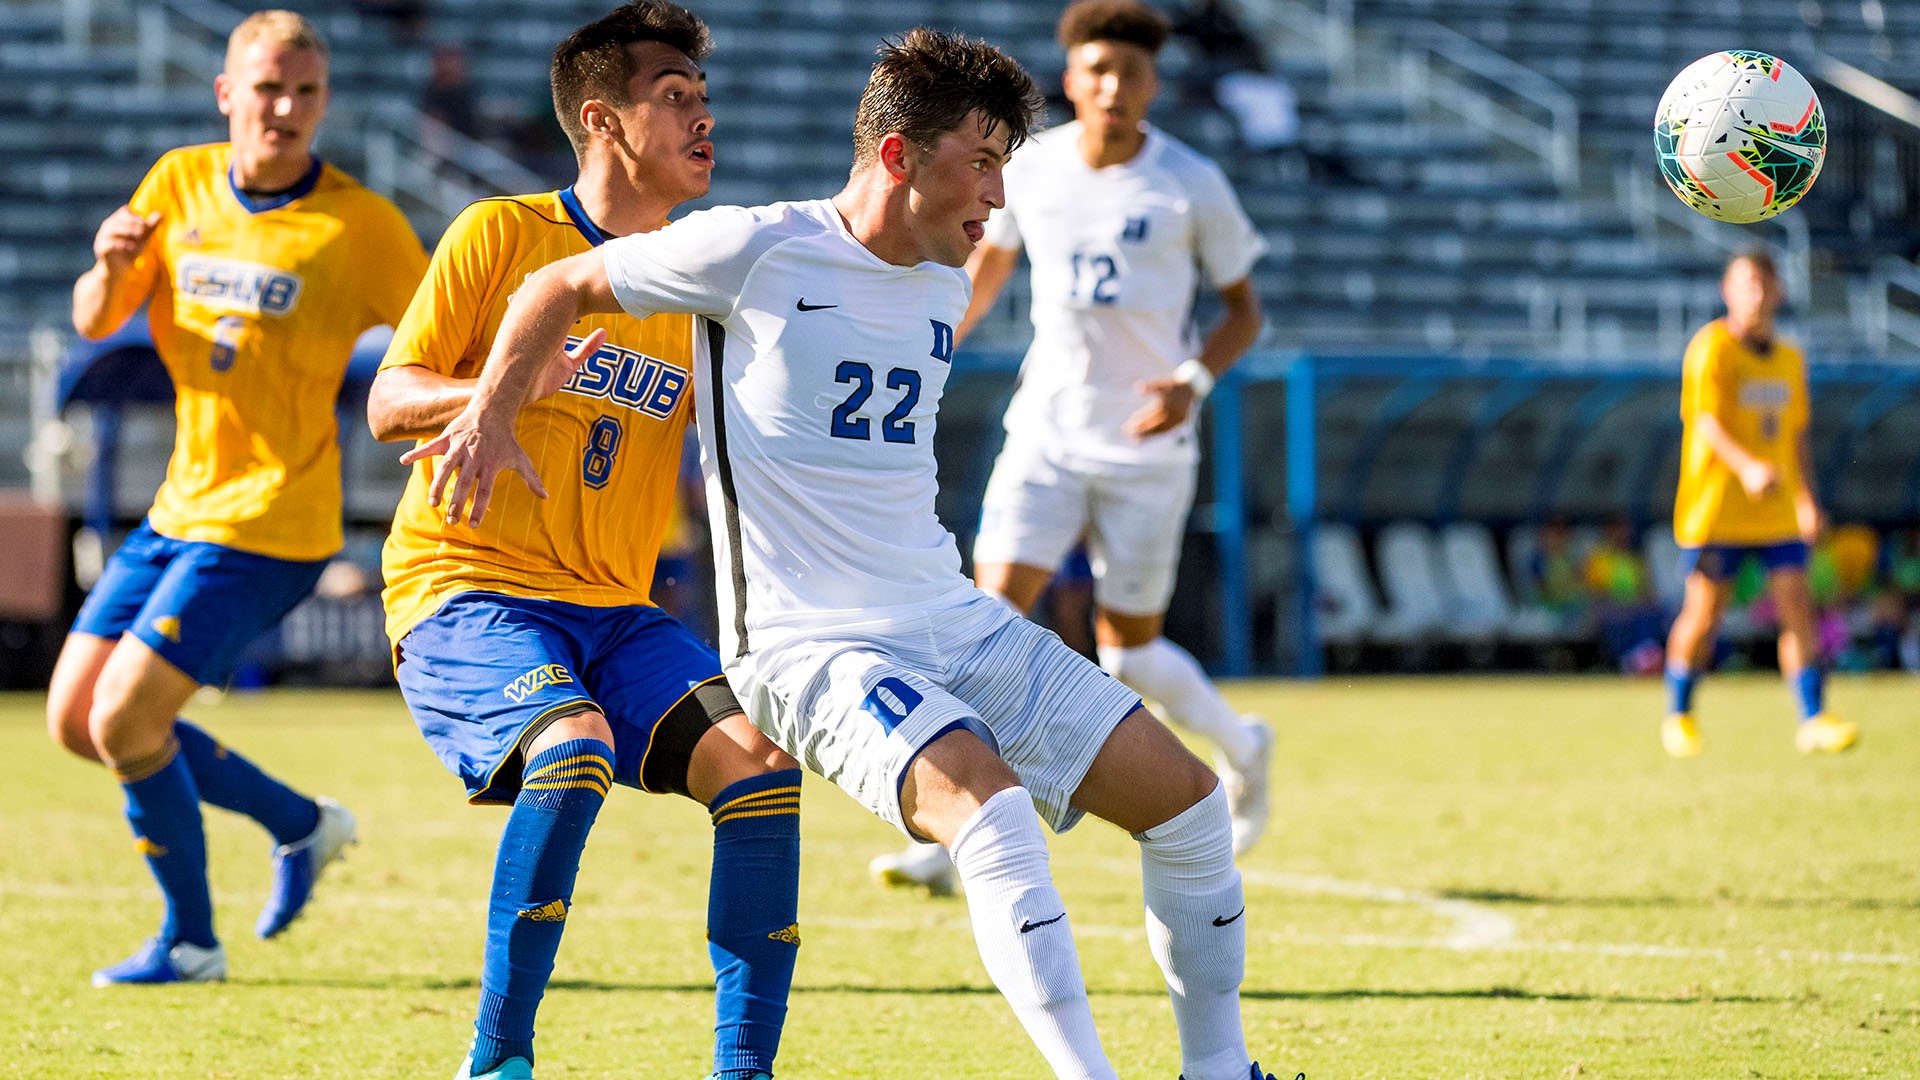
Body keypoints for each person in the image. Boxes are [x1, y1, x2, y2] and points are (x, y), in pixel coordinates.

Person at [410, 25, 1288, 1080]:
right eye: (981, 162)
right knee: (989, 809)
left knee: (1190, 808)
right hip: (807, 646)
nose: (998, 197)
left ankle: (1221, 1070)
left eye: (1006, 165)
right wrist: (492, 409)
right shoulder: (754, 247)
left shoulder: (940, 284)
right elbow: (554, 289)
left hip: (948, 616)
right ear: (897, 156)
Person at [366, 6, 801, 1080]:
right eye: (675, 96)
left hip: (617, 609)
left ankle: (744, 1072)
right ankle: (496, 1060)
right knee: (574, 749)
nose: (704, 115)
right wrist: (500, 391)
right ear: (602, 120)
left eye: (704, 95)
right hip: (465, 590)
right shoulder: (501, 235)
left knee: (762, 769)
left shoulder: (705, 277)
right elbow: (387, 400)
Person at [44, 9, 426, 987]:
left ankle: (190, 941)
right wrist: (108, 261)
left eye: (306, 92)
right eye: (267, 88)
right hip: (177, 510)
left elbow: (440, 342)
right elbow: (97, 318)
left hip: (275, 523)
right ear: (228, 94)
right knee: (76, 721)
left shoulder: (361, 225)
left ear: (324, 103)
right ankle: (301, 825)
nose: (287, 108)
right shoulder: (176, 184)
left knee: (127, 723)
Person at [872, 0, 1272, 899]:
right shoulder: (1035, 168)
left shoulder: (1192, 183)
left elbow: (1245, 310)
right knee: (985, 619)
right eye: (1096, 71)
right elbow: (986, 274)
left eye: (1129, 73)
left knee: (1129, 653)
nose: (1112, 87)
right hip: (1046, 431)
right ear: (1073, 79)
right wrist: (929, 348)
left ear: (1152, 84)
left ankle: (1243, 746)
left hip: (1146, 446)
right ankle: (955, 829)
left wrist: (1191, 383)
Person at [1662, 250, 1857, 757]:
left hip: (1776, 513)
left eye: (1764, 283)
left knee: (1799, 611)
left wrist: (1807, 498)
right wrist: (1747, 466)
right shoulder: (1712, 349)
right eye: (1745, 283)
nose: (1756, 292)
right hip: (1718, 508)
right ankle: (1679, 713)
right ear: (1727, 292)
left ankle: (1813, 718)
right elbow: (1704, 420)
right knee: (1704, 617)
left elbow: (1796, 435)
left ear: (1779, 292)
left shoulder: (1791, 358)